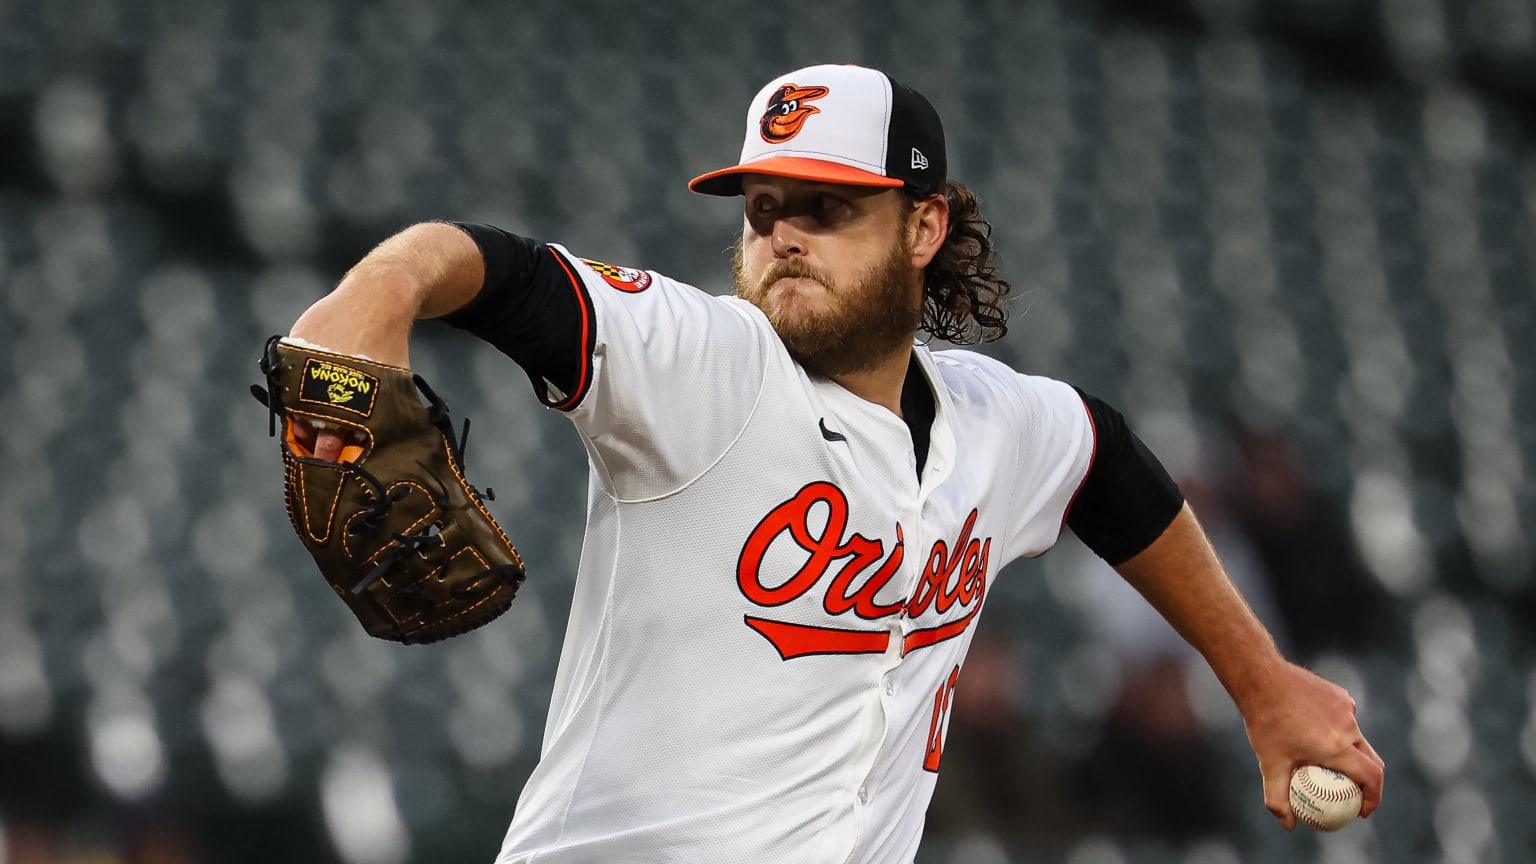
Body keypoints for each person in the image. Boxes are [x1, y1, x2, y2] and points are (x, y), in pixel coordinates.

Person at [283, 64, 1384, 863]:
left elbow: (1110, 468)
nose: (781, 237)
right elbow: (501, 272)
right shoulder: (705, 362)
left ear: (924, 228)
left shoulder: (996, 424)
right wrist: (374, 304)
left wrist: (1260, 681)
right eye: (763, 212)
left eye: (826, 208)